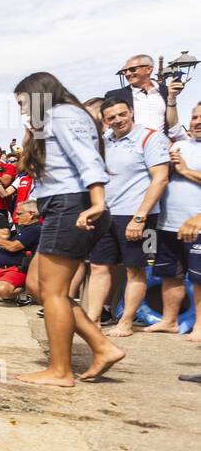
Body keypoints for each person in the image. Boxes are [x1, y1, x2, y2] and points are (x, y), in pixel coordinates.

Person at [13, 71, 124, 386]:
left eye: (23, 103)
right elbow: (41, 168)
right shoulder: (48, 122)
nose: (21, 109)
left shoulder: (63, 115)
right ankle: (102, 346)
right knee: (36, 284)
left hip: (73, 206)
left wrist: (98, 202)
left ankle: (60, 370)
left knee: (55, 293)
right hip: (59, 206)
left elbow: (87, 159)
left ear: (38, 95)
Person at [83, 98, 171, 337]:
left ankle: (126, 322)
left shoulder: (150, 137)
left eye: (122, 114)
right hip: (106, 214)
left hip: (137, 215)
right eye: (111, 117)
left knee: (135, 269)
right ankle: (93, 320)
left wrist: (140, 218)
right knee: (99, 267)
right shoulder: (106, 142)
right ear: (105, 120)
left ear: (131, 112)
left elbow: (160, 178)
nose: (118, 120)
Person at [148, 103, 201, 337]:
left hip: (196, 224)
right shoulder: (179, 145)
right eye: (195, 116)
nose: (197, 121)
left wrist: (187, 171)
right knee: (170, 275)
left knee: (199, 279)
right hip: (168, 222)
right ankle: (169, 321)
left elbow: (185, 172)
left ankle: (200, 326)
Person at [104, 54, 172, 137]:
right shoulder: (115, 95)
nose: (127, 74)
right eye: (125, 71)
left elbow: (172, 123)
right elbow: (108, 125)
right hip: (131, 146)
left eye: (132, 69)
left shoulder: (166, 91)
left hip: (161, 146)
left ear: (149, 69)